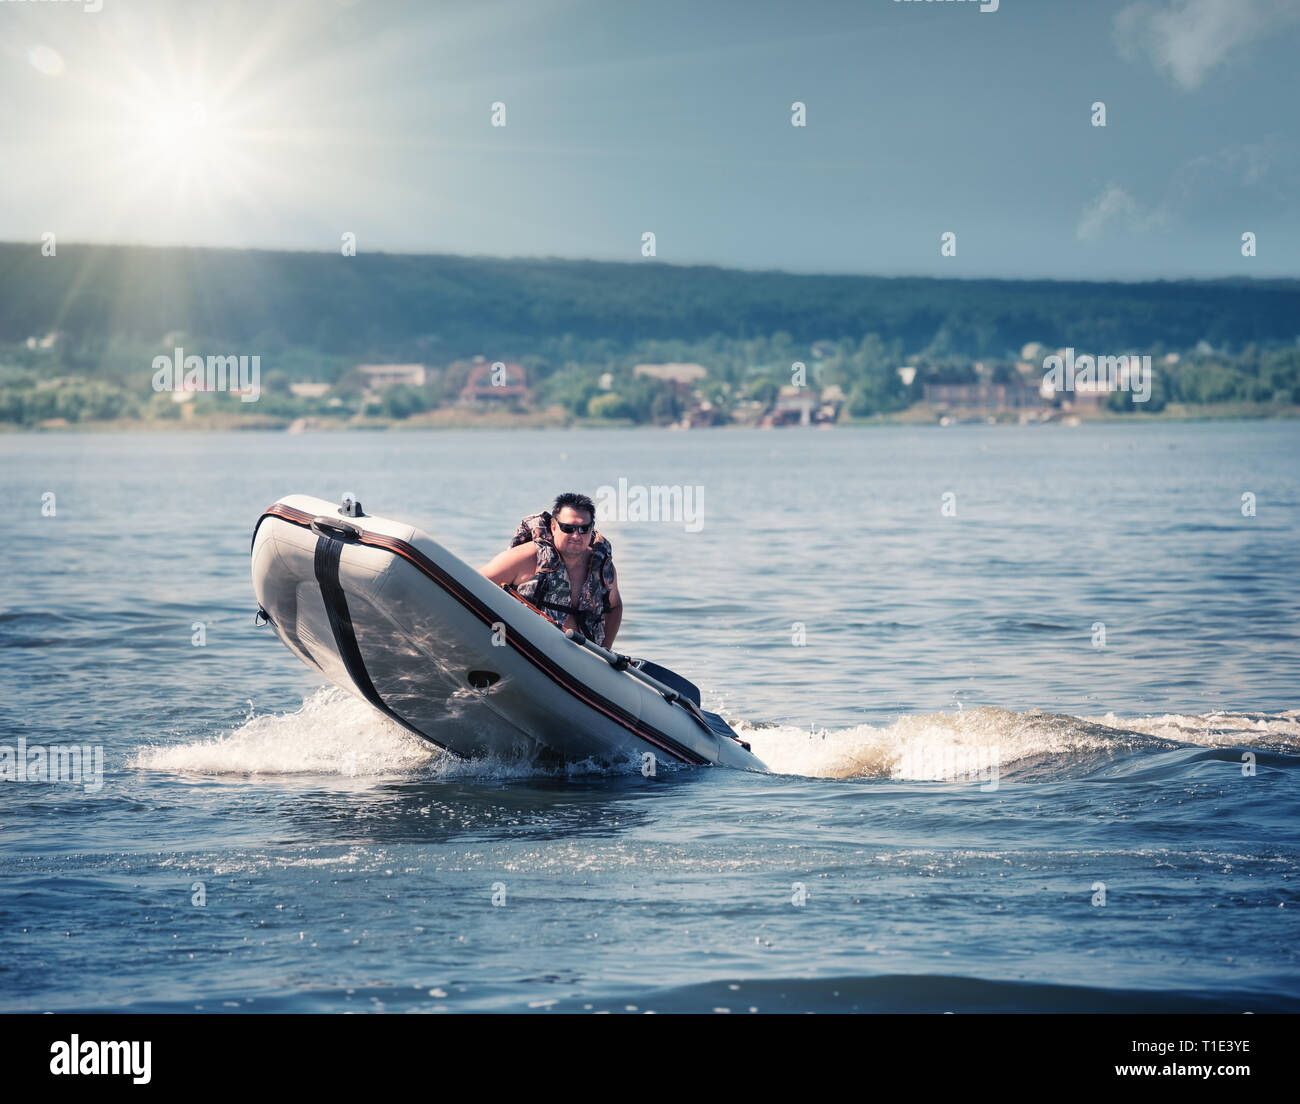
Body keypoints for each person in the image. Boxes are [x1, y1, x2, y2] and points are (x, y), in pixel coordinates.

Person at [477, 492, 623, 648]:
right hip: (525, 647)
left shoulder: (601, 568)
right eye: (568, 528)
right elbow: (475, 584)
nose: (576, 535)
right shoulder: (525, 558)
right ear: (553, 527)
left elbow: (615, 607)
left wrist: (606, 649)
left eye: (584, 528)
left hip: (582, 657)